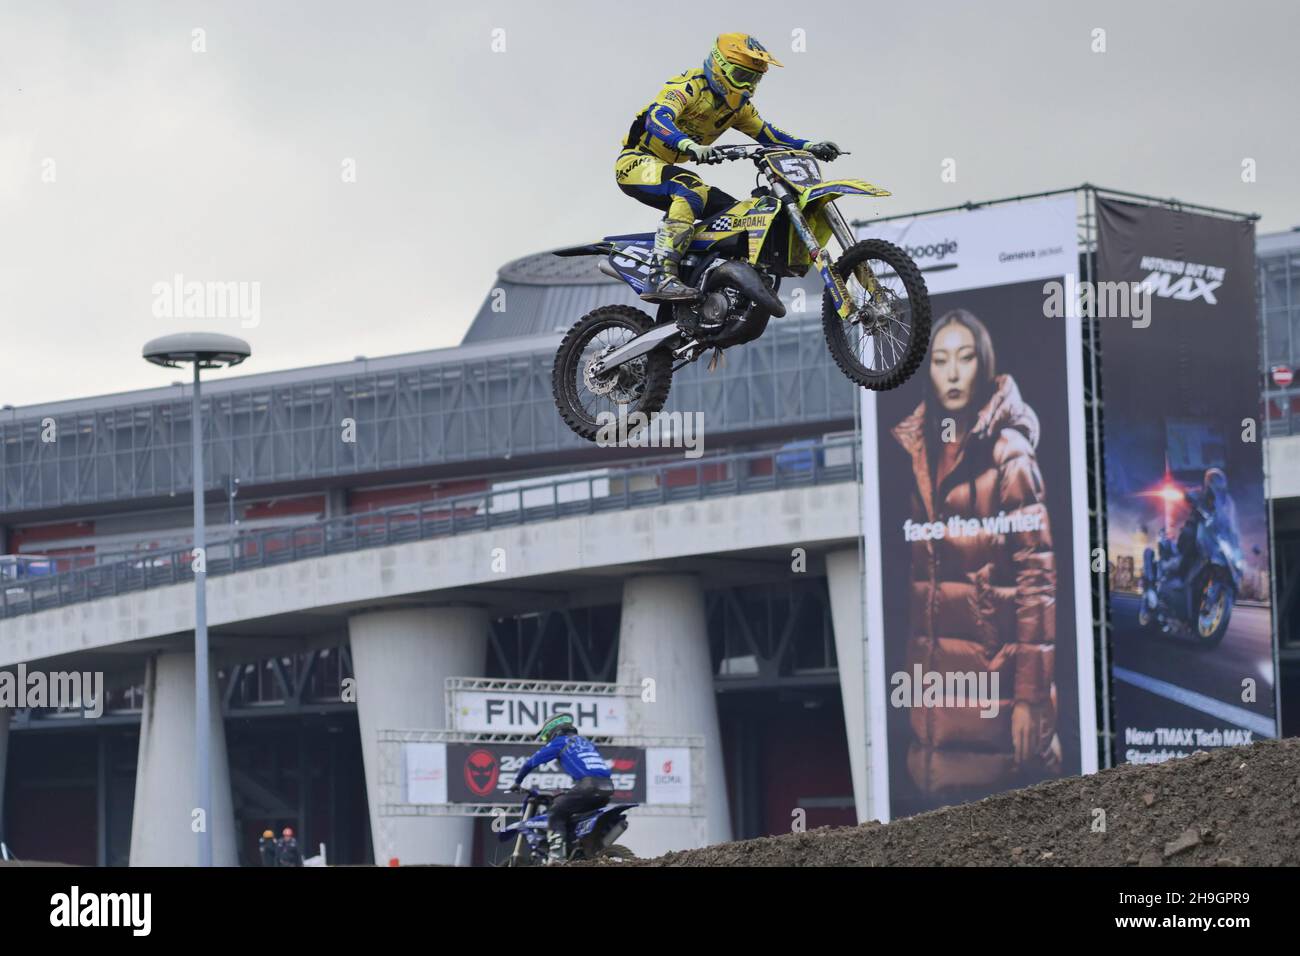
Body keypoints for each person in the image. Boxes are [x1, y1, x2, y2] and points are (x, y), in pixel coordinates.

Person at [889, 308, 1061, 806]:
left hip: (999, 706)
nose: (953, 371)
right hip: (935, 717)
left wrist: (1030, 699)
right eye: (941, 360)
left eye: (965, 358)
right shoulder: (917, 452)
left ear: (983, 365)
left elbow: (1038, 585)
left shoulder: (1010, 455)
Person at [616, 32, 841, 310]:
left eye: (753, 79)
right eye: (741, 76)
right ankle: (661, 274)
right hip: (636, 162)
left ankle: (707, 282)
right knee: (690, 187)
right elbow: (656, 118)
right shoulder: (690, 85)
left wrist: (810, 145)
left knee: (737, 216)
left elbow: (768, 134)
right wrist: (688, 145)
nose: (746, 87)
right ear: (718, 66)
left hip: (668, 168)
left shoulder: (739, 108)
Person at [508, 714, 613, 865]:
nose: (546, 741)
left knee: (556, 813)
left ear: (552, 731)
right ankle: (579, 849)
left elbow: (530, 763)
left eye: (545, 738)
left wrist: (517, 782)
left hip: (588, 786)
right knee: (572, 813)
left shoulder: (560, 742)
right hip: (607, 788)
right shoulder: (584, 742)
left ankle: (557, 857)